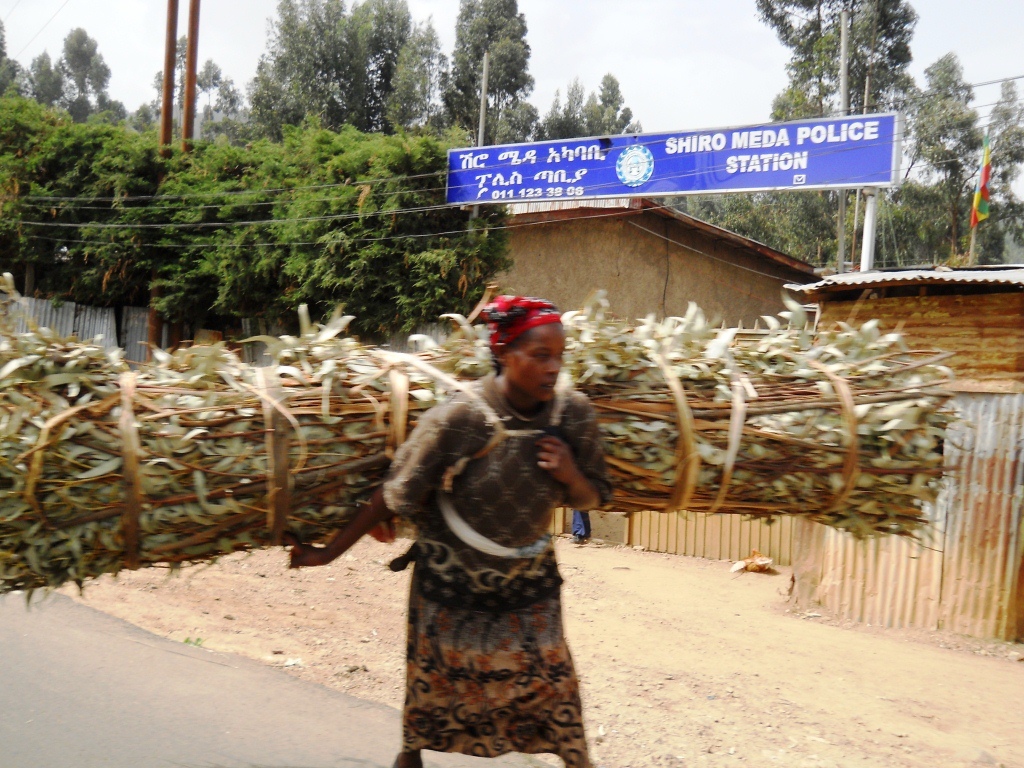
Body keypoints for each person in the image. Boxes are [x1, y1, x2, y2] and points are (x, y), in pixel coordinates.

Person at [284, 296, 611, 768]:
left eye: (559, 356)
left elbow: (595, 497)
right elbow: (393, 493)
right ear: (504, 353)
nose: (553, 368)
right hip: (449, 589)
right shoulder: (460, 417)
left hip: (531, 590)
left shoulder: (572, 414)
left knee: (559, 705)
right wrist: (327, 554)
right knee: (426, 714)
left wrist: (570, 476)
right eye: (540, 355)